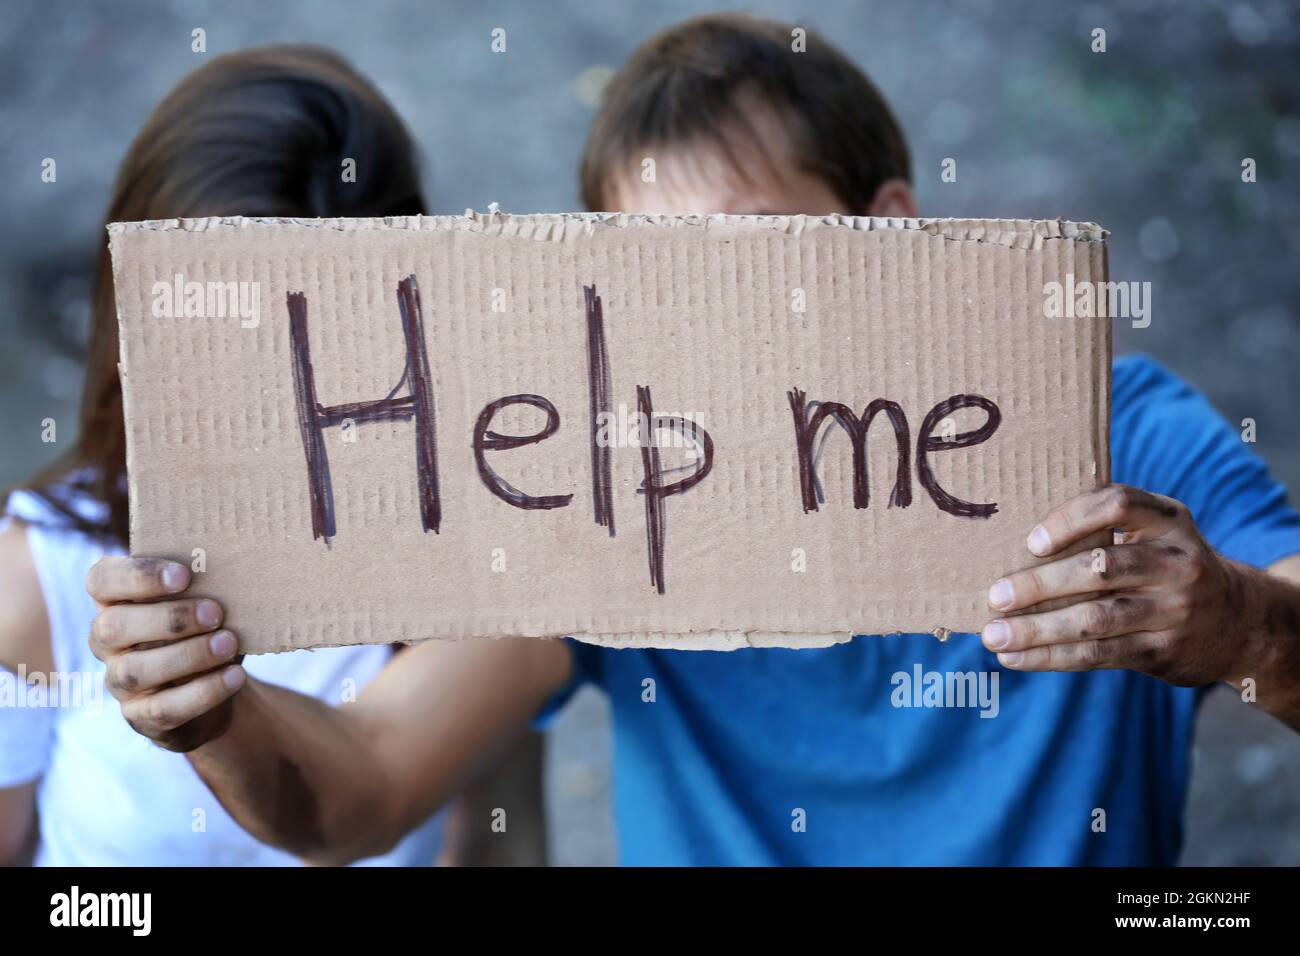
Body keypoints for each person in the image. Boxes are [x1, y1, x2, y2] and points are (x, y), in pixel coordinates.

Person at [84, 14, 1300, 865]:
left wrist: (1238, 621)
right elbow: (361, 787)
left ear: (888, 231)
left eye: (751, 253)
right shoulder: (599, 490)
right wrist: (211, 712)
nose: (711, 320)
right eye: (658, 279)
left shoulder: (1111, 431)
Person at [0, 45, 445, 866]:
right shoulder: (35, 580)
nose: (279, 409)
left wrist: (207, 715)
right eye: (219, 347)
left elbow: (406, 807)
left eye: (322, 352)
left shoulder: (475, 563)